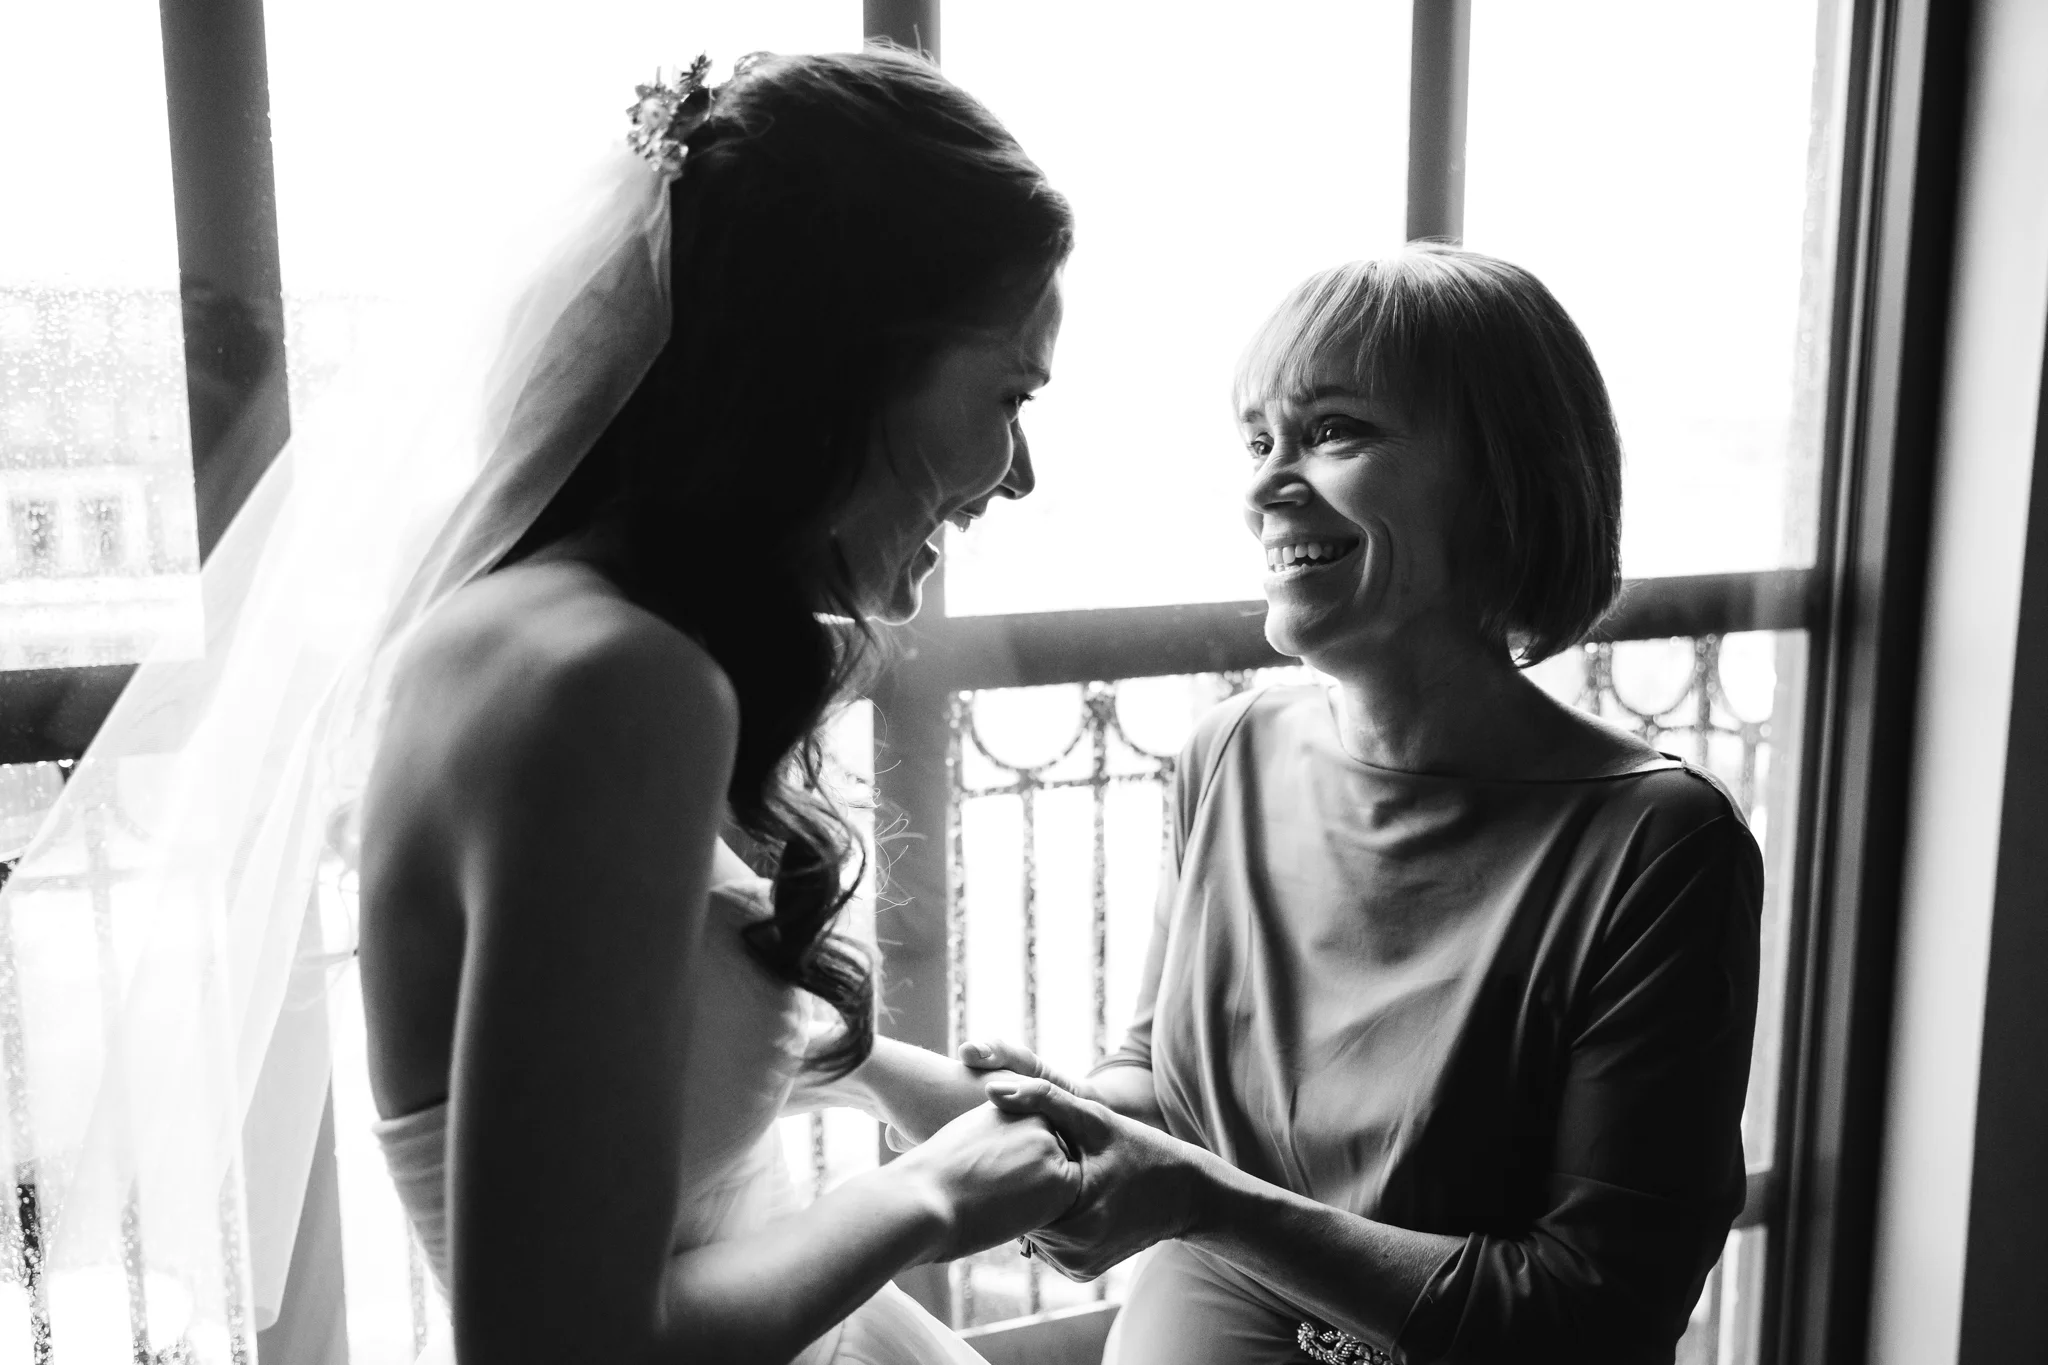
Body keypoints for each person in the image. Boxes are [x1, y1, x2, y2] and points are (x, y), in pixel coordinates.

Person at [351, 49, 1079, 1364]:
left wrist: (891, 1078)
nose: (1018, 474)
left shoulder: (515, 627)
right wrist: (928, 1196)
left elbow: (590, 1052)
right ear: (843, 364)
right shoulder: (616, 689)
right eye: (1010, 395)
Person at [945, 246, 1764, 1364]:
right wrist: (1079, 1120)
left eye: (1332, 431)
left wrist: (1203, 1200)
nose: (1263, 488)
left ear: (1507, 477)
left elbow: (1593, 1316)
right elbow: (1164, 1087)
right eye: (1257, 442)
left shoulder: (1658, 847)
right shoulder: (1226, 752)